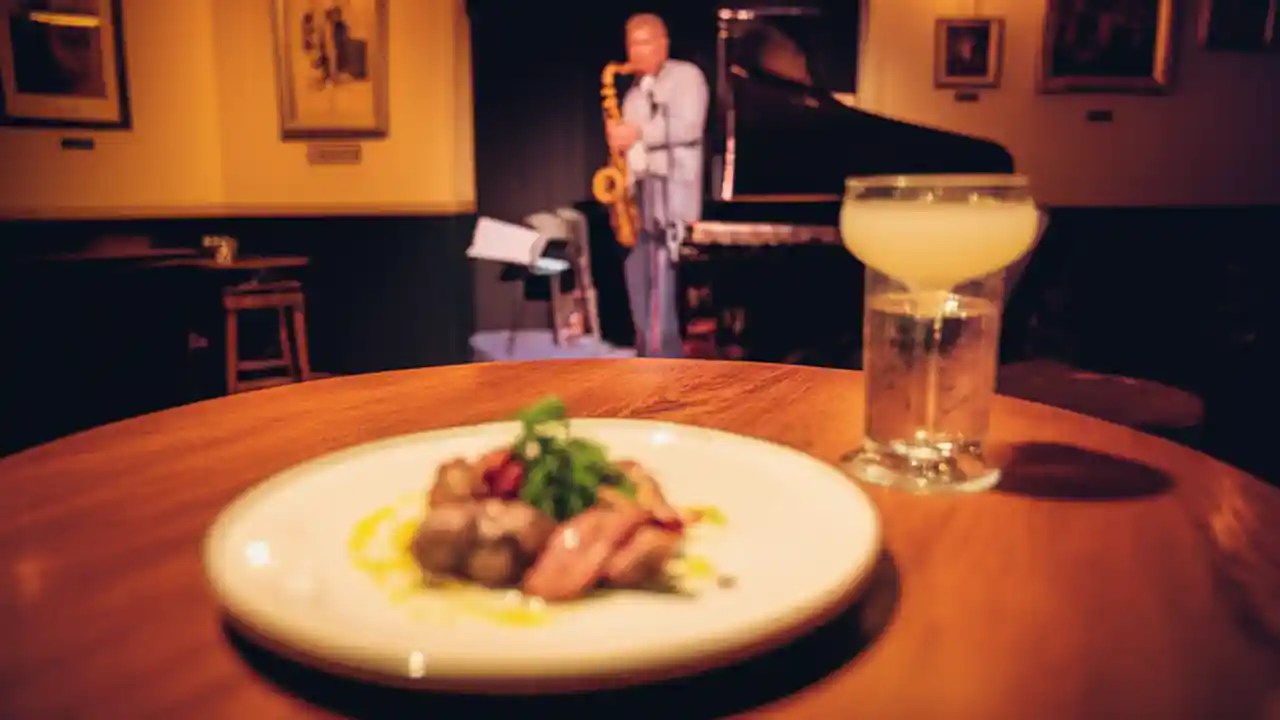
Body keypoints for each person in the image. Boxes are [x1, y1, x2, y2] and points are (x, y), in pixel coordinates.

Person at [606, 13, 709, 358]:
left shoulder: (686, 77)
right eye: (631, 44)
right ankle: (644, 353)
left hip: (671, 195)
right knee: (638, 281)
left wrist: (636, 133)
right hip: (639, 195)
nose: (635, 52)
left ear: (663, 45)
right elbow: (628, 148)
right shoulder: (633, 93)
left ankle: (665, 360)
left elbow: (689, 127)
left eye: (644, 43)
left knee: (663, 287)